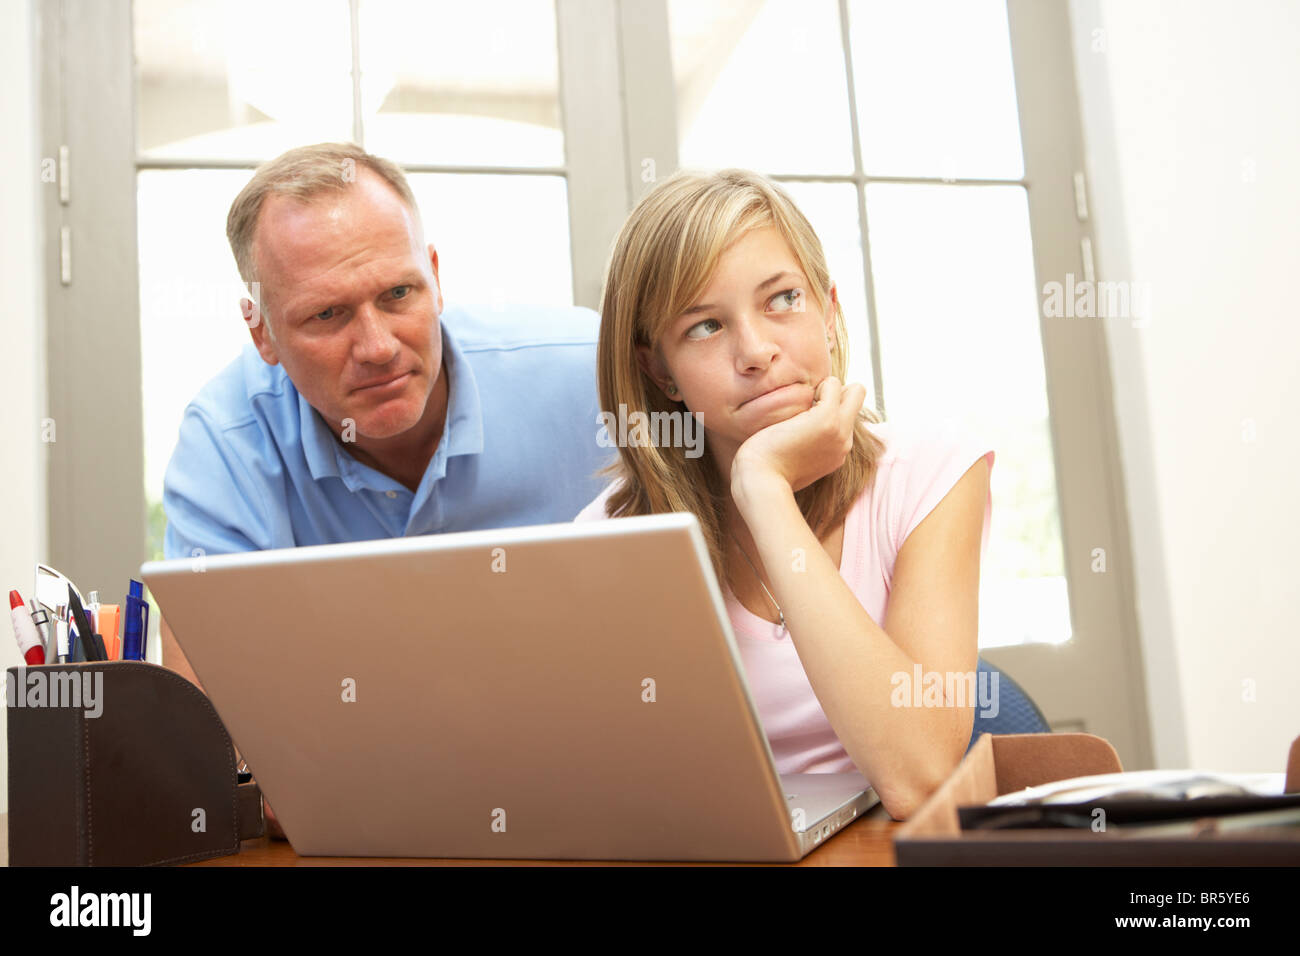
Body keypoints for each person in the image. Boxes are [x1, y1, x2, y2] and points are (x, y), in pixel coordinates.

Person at [160, 143, 611, 833]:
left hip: (597, 800)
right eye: (327, 316)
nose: (376, 347)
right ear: (263, 332)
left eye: (397, 294)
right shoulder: (225, 442)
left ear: (433, 276)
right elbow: (210, 742)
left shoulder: (589, 376)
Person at [576, 169, 994, 821]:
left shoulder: (929, 472)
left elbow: (919, 775)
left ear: (827, 313)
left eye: (782, 300)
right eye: (706, 327)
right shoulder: (610, 539)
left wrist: (763, 488)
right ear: (660, 371)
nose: (757, 351)